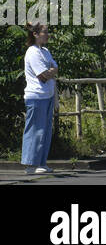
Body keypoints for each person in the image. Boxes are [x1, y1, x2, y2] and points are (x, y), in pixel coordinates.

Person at [22, 23, 58, 175]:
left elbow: (55, 68)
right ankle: (31, 164)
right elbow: (43, 76)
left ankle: (41, 163)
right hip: (36, 96)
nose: (47, 35)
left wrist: (51, 70)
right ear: (36, 34)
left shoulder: (45, 51)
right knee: (35, 130)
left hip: (47, 95)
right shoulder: (32, 52)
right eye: (45, 32)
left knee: (45, 131)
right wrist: (51, 71)